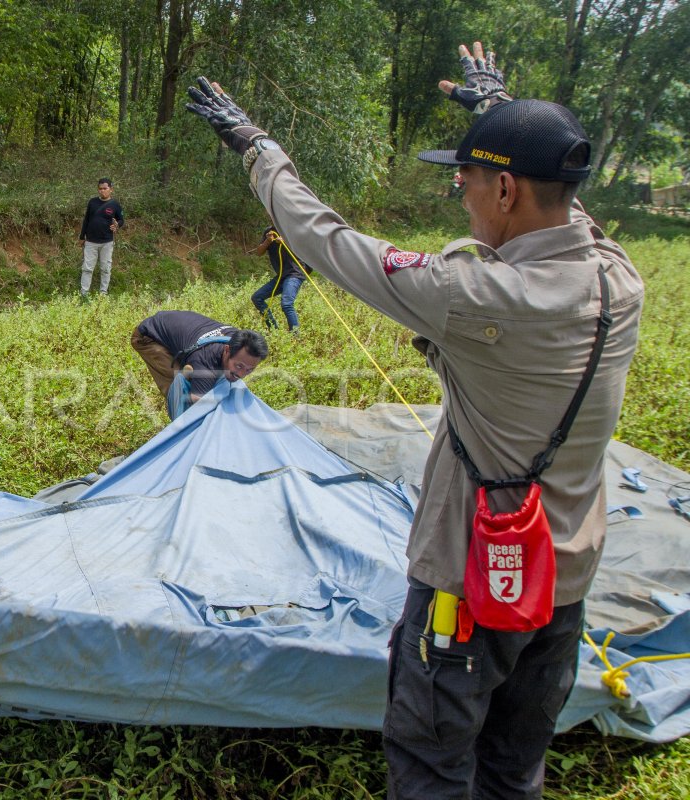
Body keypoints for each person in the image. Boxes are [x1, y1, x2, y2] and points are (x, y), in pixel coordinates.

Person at [187, 39, 643, 800]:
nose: (461, 197)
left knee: (432, 762)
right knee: (514, 767)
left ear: (505, 190)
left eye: (467, 182)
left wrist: (256, 148)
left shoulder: (474, 295)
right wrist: (499, 109)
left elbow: (327, 240)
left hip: (470, 582)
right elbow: (567, 204)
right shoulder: (617, 275)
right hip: (563, 585)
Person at [131, 310, 268, 419]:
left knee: (215, 376)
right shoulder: (205, 360)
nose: (242, 374)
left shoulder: (239, 339)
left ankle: (189, 372)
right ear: (227, 350)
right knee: (177, 387)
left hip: (176, 327)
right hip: (149, 336)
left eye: (249, 370)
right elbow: (199, 408)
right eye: (239, 366)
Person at [251, 226, 312, 333]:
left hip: (295, 273)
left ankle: (296, 336)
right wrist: (267, 241)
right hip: (282, 276)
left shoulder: (291, 228)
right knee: (257, 297)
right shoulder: (269, 232)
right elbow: (259, 252)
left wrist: (285, 242)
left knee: (287, 304)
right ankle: (274, 331)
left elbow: (305, 247)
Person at [78, 177, 124, 298]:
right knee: (87, 268)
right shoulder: (92, 202)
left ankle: (103, 294)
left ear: (111, 189)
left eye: (105, 188)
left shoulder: (115, 204)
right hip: (90, 242)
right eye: (100, 189)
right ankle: (84, 294)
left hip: (107, 242)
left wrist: (117, 225)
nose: (102, 191)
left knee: (105, 268)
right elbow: (86, 220)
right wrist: (82, 236)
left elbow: (121, 220)